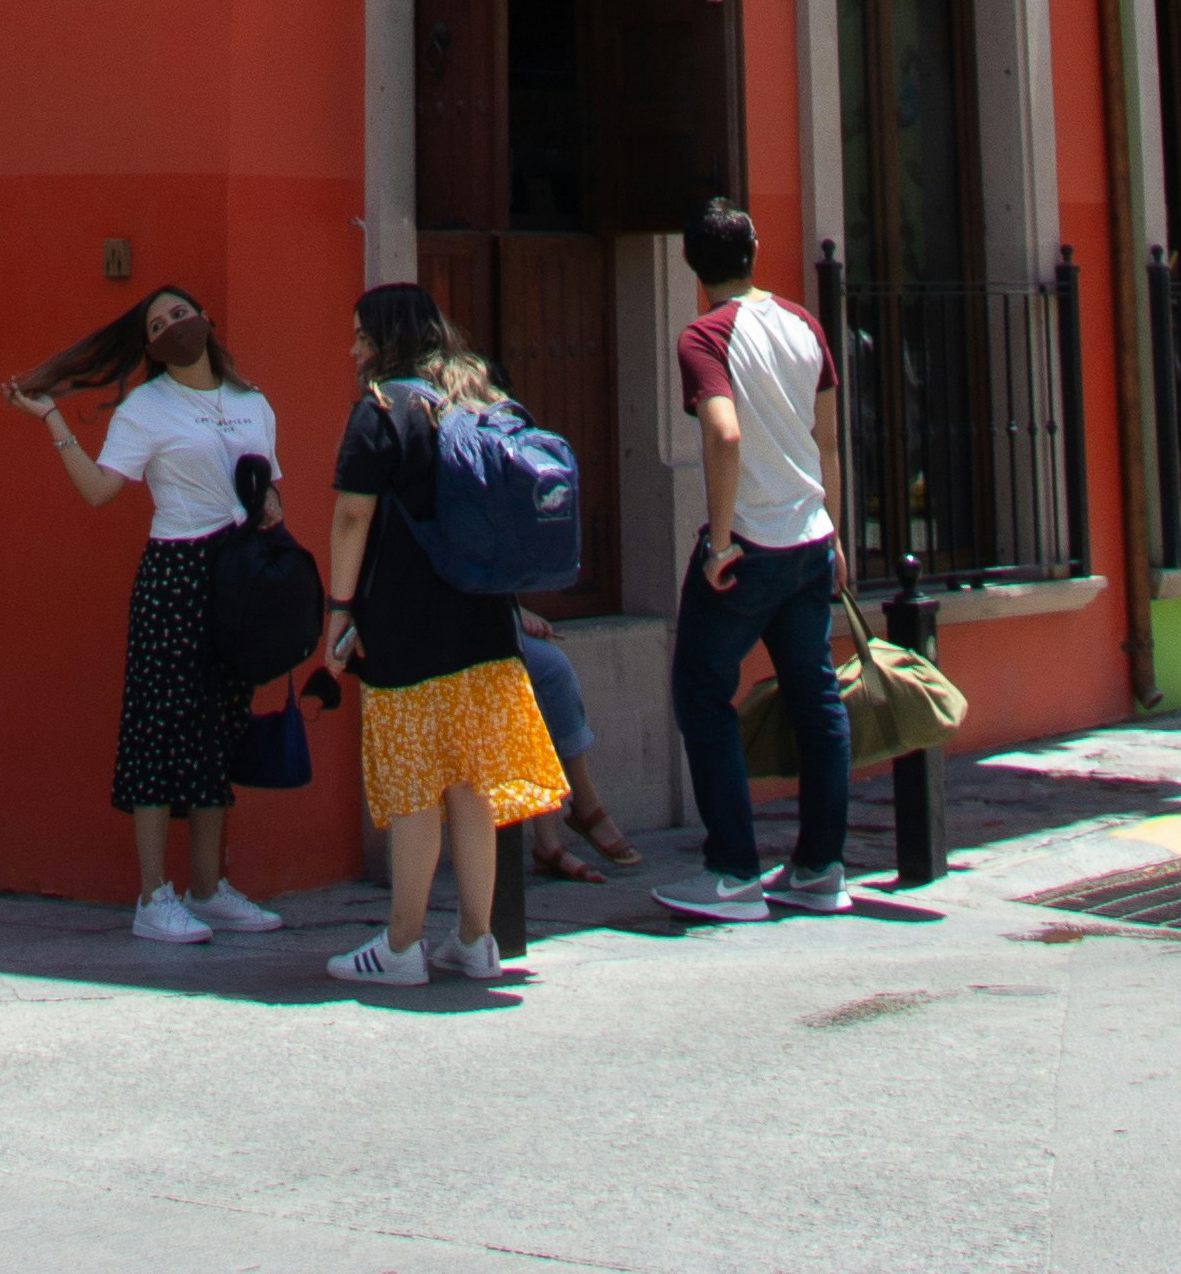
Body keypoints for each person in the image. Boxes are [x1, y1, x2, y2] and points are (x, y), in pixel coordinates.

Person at [8, 280, 286, 942]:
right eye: (159, 324)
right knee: (157, 728)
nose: (173, 326)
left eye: (180, 313)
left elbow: (270, 488)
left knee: (221, 724)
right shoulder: (145, 407)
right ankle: (152, 895)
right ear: (151, 347)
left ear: (205, 319)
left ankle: (209, 887)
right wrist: (53, 422)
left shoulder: (254, 404)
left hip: (236, 573)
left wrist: (271, 520)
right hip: (174, 572)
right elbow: (103, 490)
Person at [321, 282, 567, 990]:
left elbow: (350, 520)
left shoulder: (380, 410)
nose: (354, 347)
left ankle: (401, 946)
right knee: (470, 785)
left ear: (389, 339)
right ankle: (476, 938)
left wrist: (339, 612)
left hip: (404, 621)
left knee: (413, 786)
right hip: (484, 617)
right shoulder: (477, 395)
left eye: (362, 334)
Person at [655, 195, 852, 921]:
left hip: (752, 546)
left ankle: (734, 869)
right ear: (756, 249)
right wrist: (835, 532)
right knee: (815, 693)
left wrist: (720, 541)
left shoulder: (704, 338)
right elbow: (827, 438)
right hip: (810, 537)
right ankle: (820, 868)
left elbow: (724, 435)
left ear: (690, 264)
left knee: (701, 692)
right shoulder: (803, 323)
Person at [515, 626, 642, 876]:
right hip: (454, 618)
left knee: (554, 672)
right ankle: (554, 837)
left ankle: (577, 809)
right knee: (527, 683)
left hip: (492, 611)